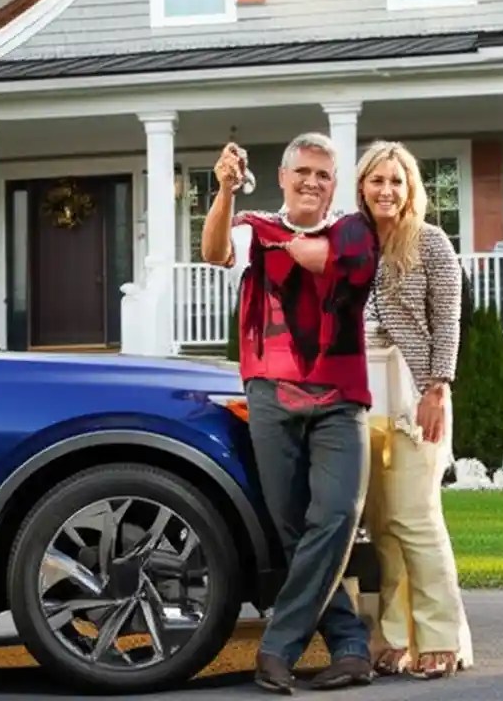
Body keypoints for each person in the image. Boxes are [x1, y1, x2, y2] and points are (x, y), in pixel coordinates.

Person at [201, 132, 380, 694]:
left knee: (336, 515)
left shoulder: (353, 230)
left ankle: (277, 647)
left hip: (339, 395)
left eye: (323, 175)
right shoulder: (252, 227)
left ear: (335, 185)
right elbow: (214, 252)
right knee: (291, 525)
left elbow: (323, 259)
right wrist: (225, 191)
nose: (311, 182)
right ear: (282, 177)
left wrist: (284, 240)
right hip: (272, 392)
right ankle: (350, 646)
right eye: (302, 171)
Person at [355, 140, 474, 680]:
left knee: (416, 518)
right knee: (381, 526)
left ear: (410, 190)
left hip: (413, 391)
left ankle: (441, 637)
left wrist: (437, 389)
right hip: (360, 391)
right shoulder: (352, 242)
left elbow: (448, 320)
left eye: (396, 181)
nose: (386, 190)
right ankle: (396, 638)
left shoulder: (430, 241)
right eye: (377, 180)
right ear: (362, 186)